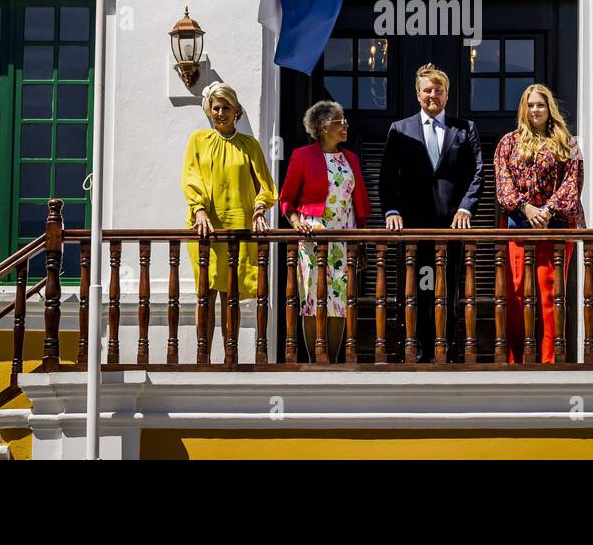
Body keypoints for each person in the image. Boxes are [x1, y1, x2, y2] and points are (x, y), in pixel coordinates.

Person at [380, 62, 484, 362]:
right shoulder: (400, 130)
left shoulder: (465, 129)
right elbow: (388, 176)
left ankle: (447, 349)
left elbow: (478, 172)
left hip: (452, 227)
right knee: (419, 289)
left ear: (447, 95)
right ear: (418, 94)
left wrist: (466, 207)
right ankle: (418, 349)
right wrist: (391, 211)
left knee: (449, 290)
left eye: (438, 90)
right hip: (413, 227)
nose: (433, 95)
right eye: (427, 90)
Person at [493, 83, 584, 364]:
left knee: (550, 295)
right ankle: (515, 359)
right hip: (518, 226)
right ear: (524, 109)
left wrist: (547, 210)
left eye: (540, 105)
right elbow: (502, 183)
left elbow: (573, 182)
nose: (535, 110)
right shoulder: (508, 143)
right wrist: (526, 207)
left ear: (549, 108)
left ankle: (550, 360)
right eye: (530, 105)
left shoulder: (569, 144)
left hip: (554, 226)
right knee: (517, 292)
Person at [278, 100, 371, 362]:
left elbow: (357, 203)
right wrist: (296, 222)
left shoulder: (350, 158)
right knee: (312, 302)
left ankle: (332, 361)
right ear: (323, 126)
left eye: (344, 121)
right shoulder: (302, 155)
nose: (345, 126)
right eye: (340, 121)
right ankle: (316, 360)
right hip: (313, 237)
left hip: (344, 238)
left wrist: (360, 241)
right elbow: (286, 199)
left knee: (339, 303)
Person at [182, 82, 277, 329]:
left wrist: (259, 211)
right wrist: (198, 209)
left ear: (236, 111)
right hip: (206, 227)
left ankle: (229, 361)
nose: (220, 113)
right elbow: (192, 178)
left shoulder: (250, 145)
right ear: (208, 111)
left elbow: (265, 186)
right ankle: (204, 360)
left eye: (226, 107)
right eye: (215, 108)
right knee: (205, 294)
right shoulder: (198, 140)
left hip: (239, 227)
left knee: (230, 297)